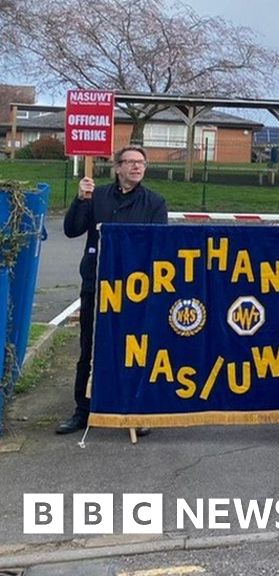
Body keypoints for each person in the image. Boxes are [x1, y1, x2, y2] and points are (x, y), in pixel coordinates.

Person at [57, 145, 168, 434]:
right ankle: (84, 410)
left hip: (135, 289)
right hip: (97, 283)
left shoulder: (154, 202)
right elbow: (72, 229)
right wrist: (81, 200)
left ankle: (134, 410)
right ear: (117, 167)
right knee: (90, 347)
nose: (136, 167)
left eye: (140, 163)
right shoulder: (98, 196)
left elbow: (159, 244)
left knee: (134, 348)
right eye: (130, 162)